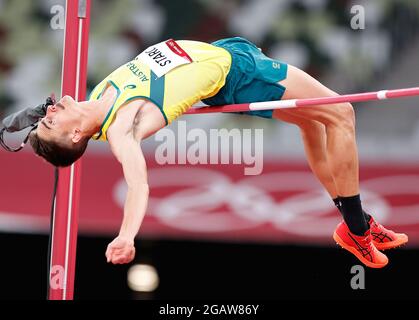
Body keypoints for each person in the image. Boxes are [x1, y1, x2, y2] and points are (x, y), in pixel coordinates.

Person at [26, 37, 407, 267]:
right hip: (240, 75)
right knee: (341, 113)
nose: (51, 110)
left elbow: (46, 120)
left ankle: (356, 223)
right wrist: (127, 236)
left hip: (222, 56)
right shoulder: (122, 128)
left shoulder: (97, 100)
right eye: (50, 121)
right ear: (76, 134)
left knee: (312, 123)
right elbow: (138, 185)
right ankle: (357, 228)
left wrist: (28, 126)